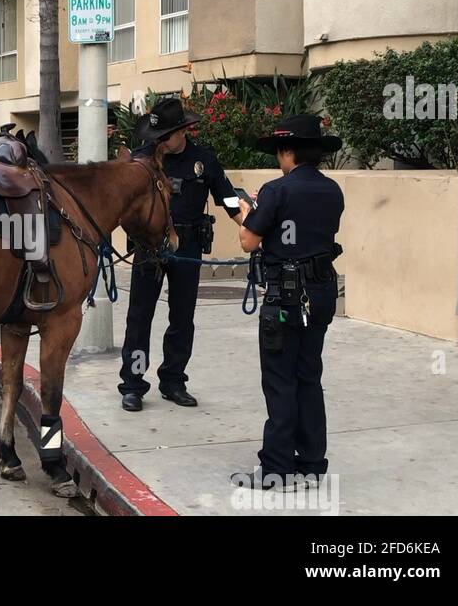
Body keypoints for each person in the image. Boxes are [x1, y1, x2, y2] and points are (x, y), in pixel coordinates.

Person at [231, 115, 345, 491]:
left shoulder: (276, 191)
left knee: (280, 380)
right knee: (309, 376)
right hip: (321, 292)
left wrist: (248, 214)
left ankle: (277, 467)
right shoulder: (333, 191)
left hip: (285, 294)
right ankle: (312, 463)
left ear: (287, 151)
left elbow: (249, 241)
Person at [118, 98, 244, 412]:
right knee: (139, 317)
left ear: (183, 131)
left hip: (187, 246)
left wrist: (248, 225)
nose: (160, 142)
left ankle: (173, 380)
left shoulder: (204, 160)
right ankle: (133, 385)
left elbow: (227, 199)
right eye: (156, 136)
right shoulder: (141, 160)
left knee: (182, 317)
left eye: (166, 136)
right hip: (150, 245)